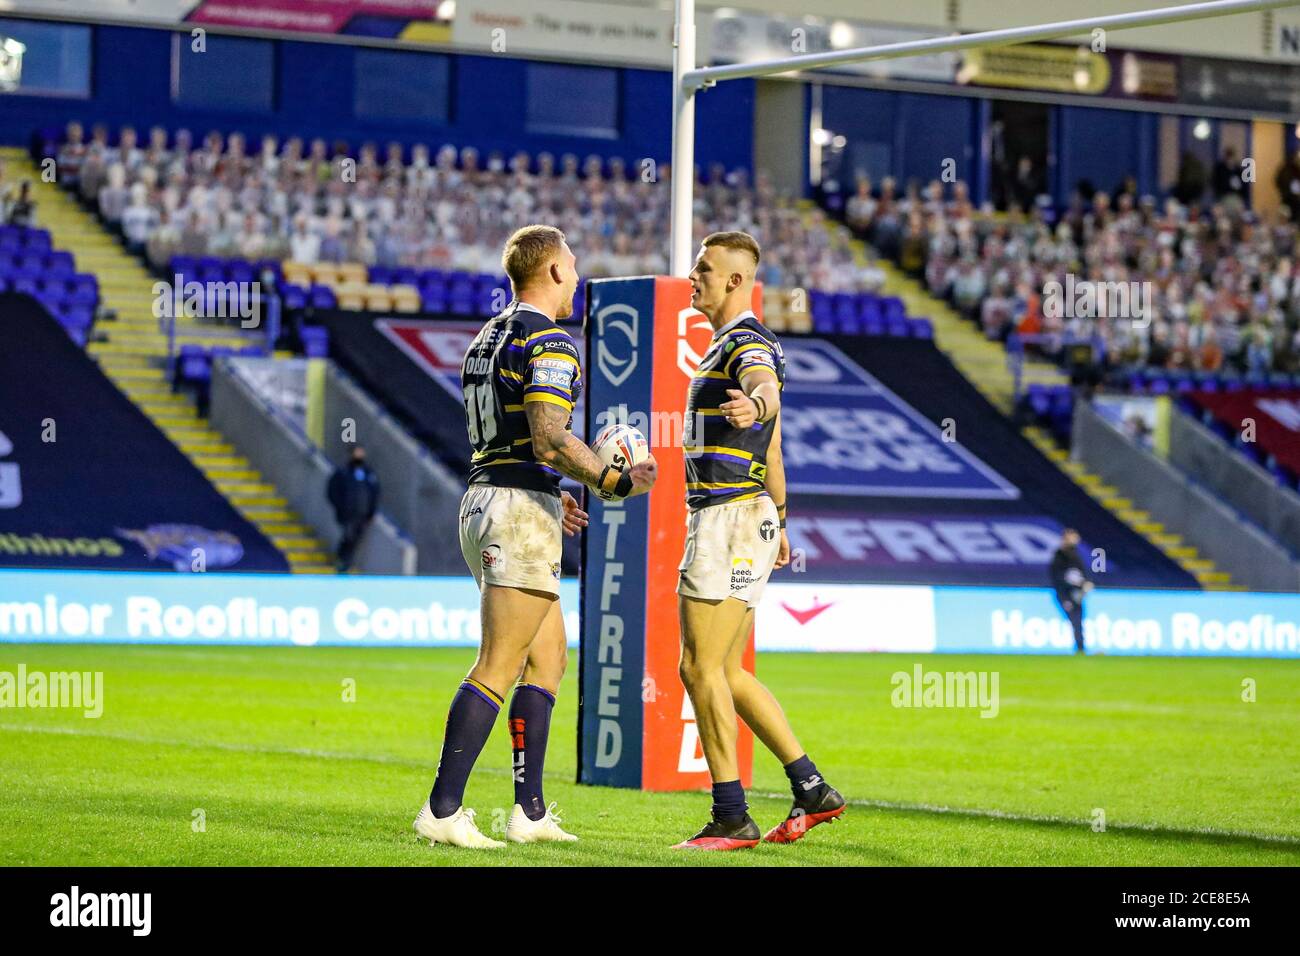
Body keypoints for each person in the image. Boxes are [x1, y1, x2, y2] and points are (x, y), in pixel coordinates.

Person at [413, 224, 656, 850]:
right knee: (499, 662)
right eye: (571, 265)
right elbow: (549, 436)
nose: (575, 276)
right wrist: (613, 480)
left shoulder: (486, 337)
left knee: (547, 659)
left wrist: (553, 492)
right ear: (550, 270)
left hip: (497, 498)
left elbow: (519, 443)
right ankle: (442, 810)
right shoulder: (549, 340)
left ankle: (529, 812)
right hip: (515, 511)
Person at [673, 231, 844, 851]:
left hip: (725, 519)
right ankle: (811, 787)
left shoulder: (744, 342)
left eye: (705, 269)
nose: (694, 277)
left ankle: (730, 815)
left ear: (735, 283)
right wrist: (781, 516)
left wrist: (757, 405)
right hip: (752, 515)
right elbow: (773, 446)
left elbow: (764, 392)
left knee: (697, 667)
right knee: (729, 671)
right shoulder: (727, 344)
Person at [326, 446, 379, 572]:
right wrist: (340, 506)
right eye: (356, 453)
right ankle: (342, 562)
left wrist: (371, 511)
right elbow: (332, 491)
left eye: (361, 453)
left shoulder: (368, 474)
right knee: (348, 536)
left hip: (362, 514)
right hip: (347, 513)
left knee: (356, 539)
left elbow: (375, 493)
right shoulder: (343, 473)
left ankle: (346, 563)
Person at [1049, 528, 1093, 654]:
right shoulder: (1059, 556)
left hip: (1077, 594)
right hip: (1066, 595)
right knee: (1075, 621)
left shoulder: (1076, 555)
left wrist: (1085, 584)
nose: (1075, 540)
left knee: (1078, 622)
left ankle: (1081, 649)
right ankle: (1080, 648)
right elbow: (1057, 579)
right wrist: (1064, 598)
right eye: (1072, 537)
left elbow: (1082, 574)